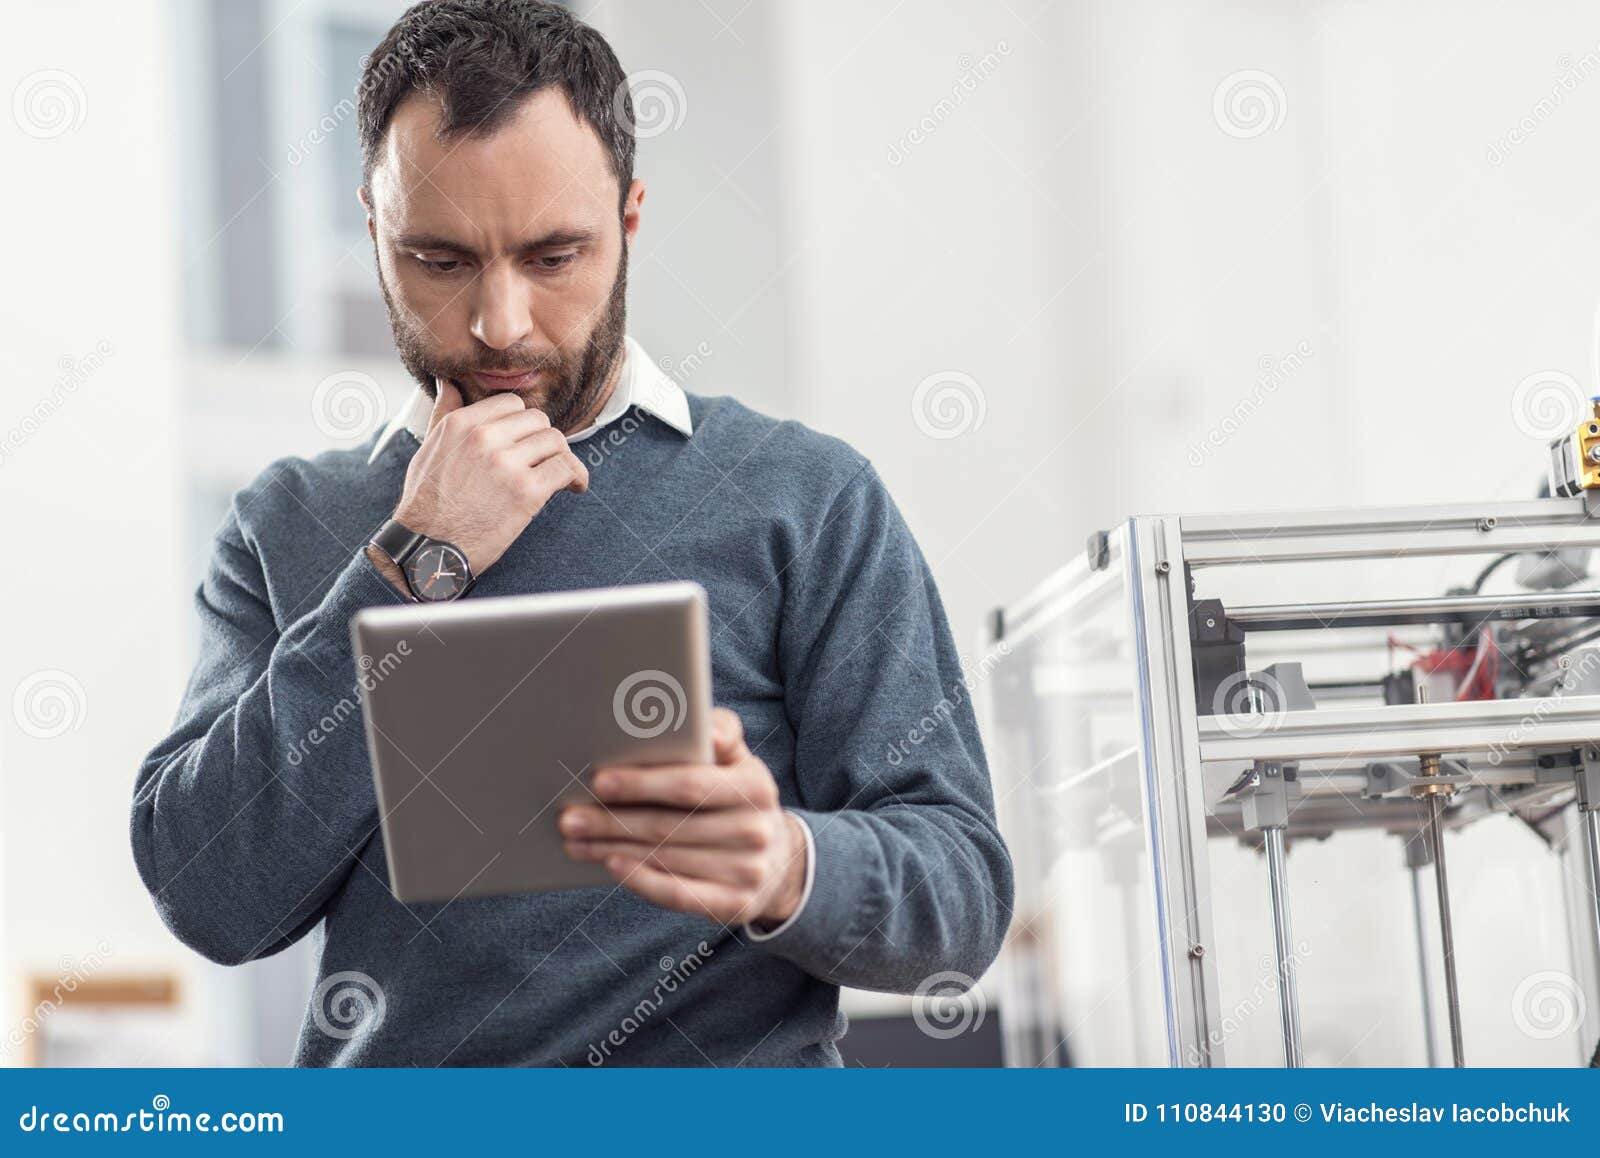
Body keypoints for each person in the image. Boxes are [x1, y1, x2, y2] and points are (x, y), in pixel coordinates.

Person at [132, 0, 1012, 1066]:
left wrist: (784, 862)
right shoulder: (291, 523)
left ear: (629, 220)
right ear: (371, 227)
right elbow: (209, 894)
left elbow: (960, 895)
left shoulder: (802, 497)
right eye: (440, 261)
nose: (500, 323)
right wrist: (412, 561)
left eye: (554, 257)